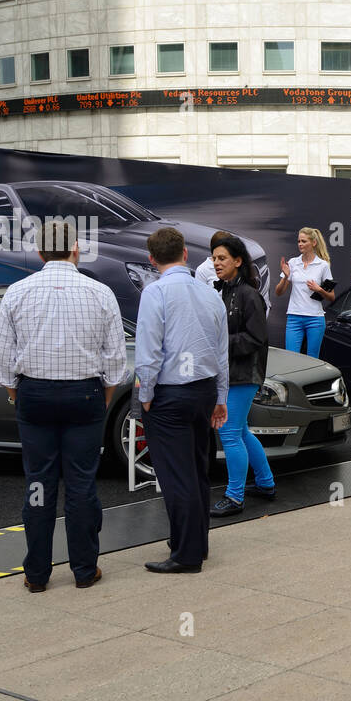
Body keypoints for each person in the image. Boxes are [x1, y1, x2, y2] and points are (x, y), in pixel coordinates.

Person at [0, 221, 128, 593]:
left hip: (34, 398)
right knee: (81, 484)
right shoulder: (101, 293)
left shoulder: (17, 292)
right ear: (76, 249)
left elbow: (1, 357)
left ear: (39, 252)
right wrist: (104, 398)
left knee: (38, 484)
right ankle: (84, 570)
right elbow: (115, 360)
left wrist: (17, 394)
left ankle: (36, 574)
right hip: (86, 397)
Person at [135, 227, 229, 573]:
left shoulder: (155, 292)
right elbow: (222, 353)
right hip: (203, 391)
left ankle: (186, 554)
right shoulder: (209, 294)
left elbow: (149, 351)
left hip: (170, 394)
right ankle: (196, 545)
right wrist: (220, 396)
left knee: (177, 476)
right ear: (186, 254)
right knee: (197, 471)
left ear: (151, 259)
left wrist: (145, 395)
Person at [208, 235, 277, 518]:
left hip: (243, 374)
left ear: (238, 261)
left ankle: (234, 497)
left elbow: (257, 338)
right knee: (241, 432)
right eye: (214, 258)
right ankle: (265, 483)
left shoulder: (249, 295)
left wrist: (222, 342)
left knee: (229, 434)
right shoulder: (226, 291)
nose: (216, 263)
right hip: (234, 373)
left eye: (222, 258)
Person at [276, 227, 335, 357]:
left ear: (313, 243)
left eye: (304, 241)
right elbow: (278, 292)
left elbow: (331, 297)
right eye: (299, 241)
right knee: (291, 358)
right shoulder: (292, 263)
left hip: (315, 318)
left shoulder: (323, 265)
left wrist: (319, 289)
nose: (300, 244)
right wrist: (286, 277)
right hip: (294, 317)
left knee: (312, 359)